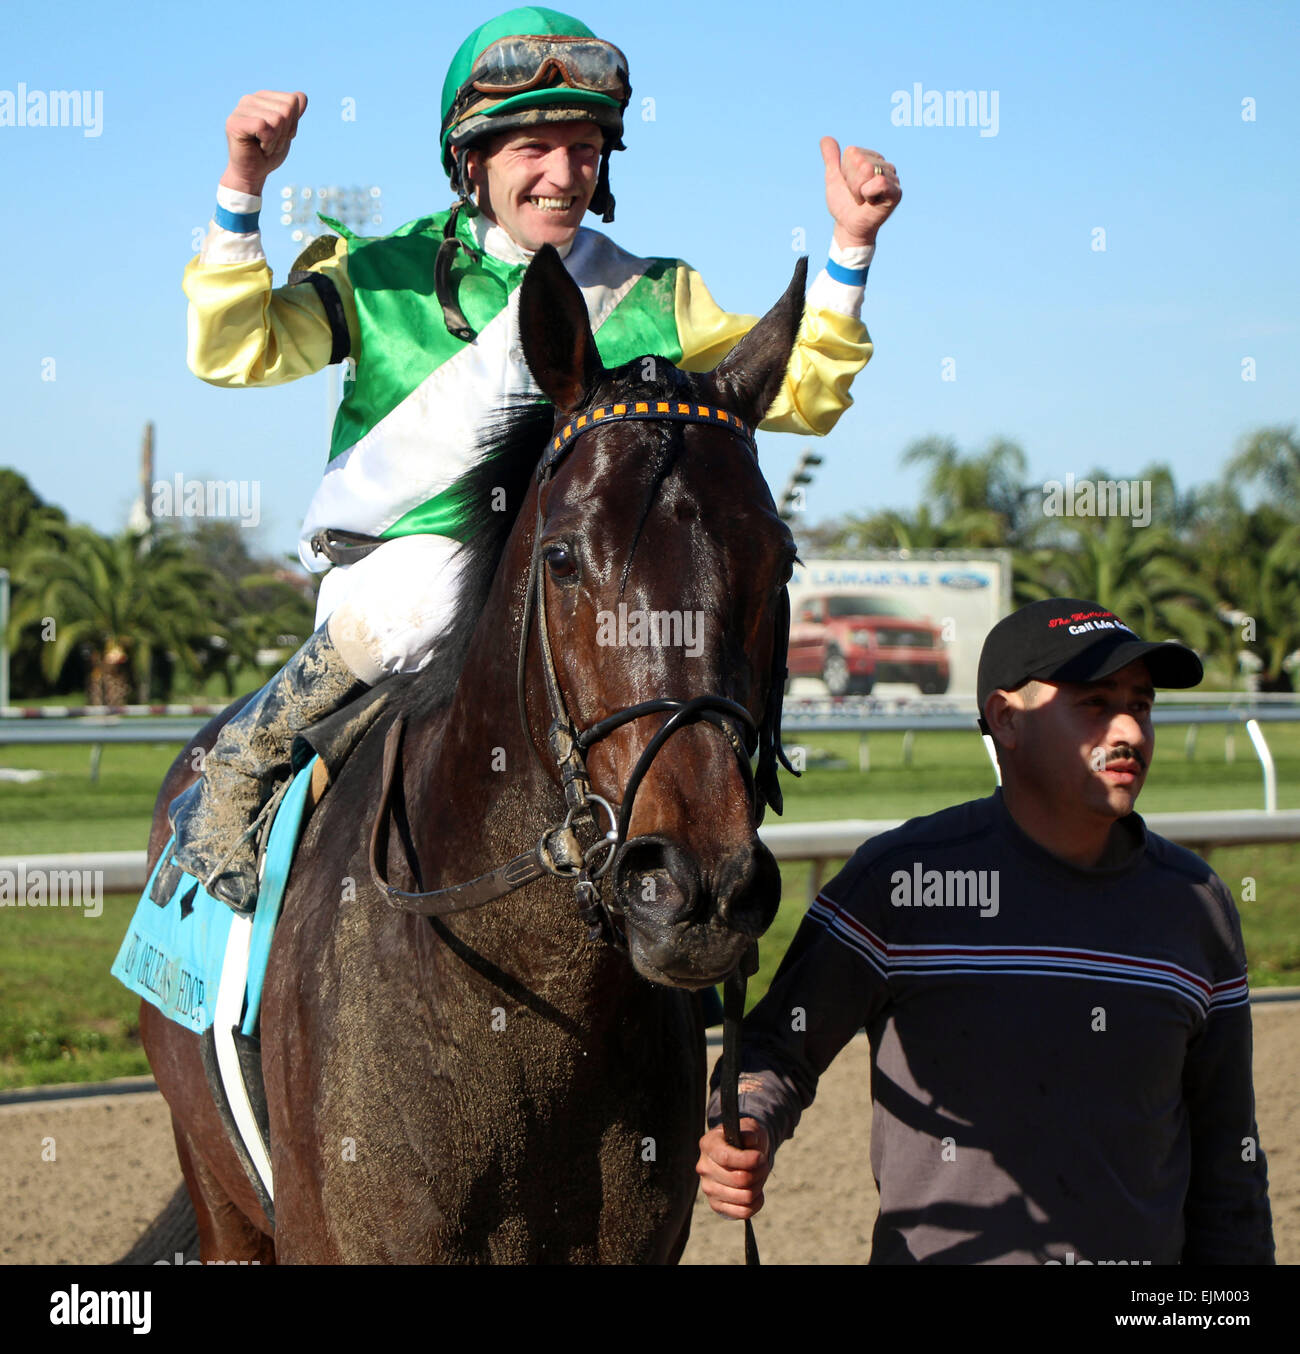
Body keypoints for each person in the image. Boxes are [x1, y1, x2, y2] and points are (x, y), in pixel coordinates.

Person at [159, 6, 902, 911]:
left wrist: (851, 246)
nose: (563, 177)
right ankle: (247, 761)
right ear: (471, 161)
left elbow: (797, 397)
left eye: (585, 150)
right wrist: (244, 184)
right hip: (392, 592)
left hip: (575, 589)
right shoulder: (376, 272)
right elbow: (236, 352)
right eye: (532, 151)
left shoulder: (657, 292)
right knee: (427, 587)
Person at [697, 597, 1275, 1264]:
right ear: (1006, 719)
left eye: (1141, 705)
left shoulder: (1198, 903)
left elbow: (1230, 1162)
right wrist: (745, 1120)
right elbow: (775, 1047)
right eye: (1095, 703)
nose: (1130, 732)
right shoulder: (899, 881)